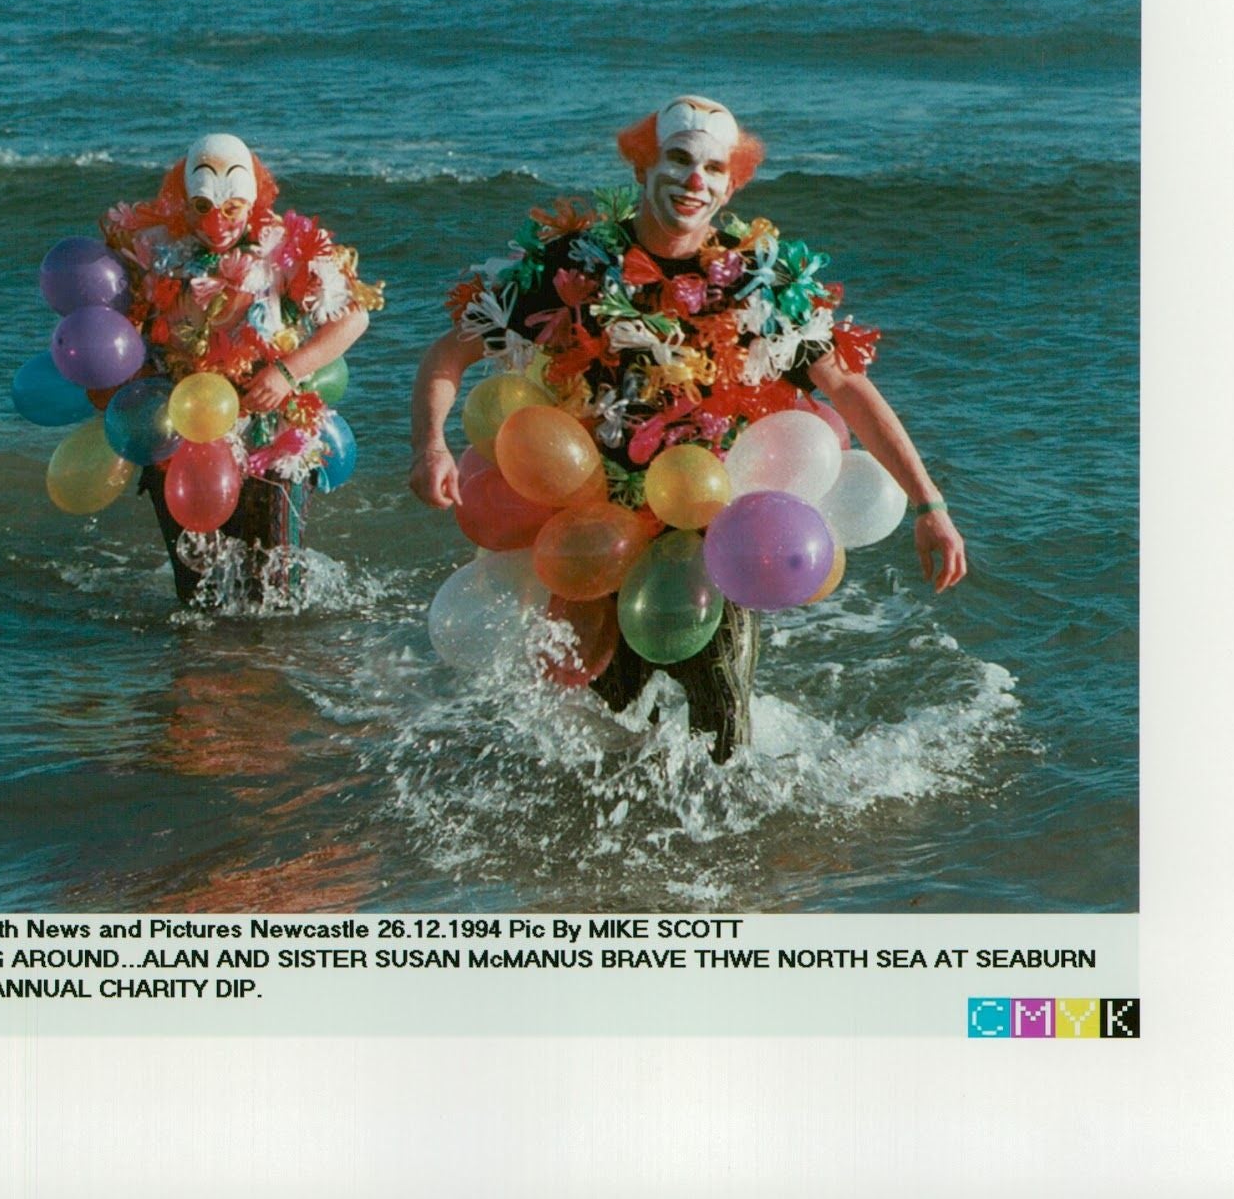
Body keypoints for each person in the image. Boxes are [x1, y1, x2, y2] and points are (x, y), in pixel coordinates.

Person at [409, 96, 966, 761]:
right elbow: (448, 355)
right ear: (643, 166)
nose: (694, 179)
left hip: (717, 530)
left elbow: (848, 388)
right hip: (597, 526)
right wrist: (431, 445)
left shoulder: (760, 283)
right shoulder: (572, 268)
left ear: (731, 186)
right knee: (612, 730)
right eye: (678, 159)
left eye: (714, 168)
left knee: (724, 719)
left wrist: (929, 505)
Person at [101, 133, 381, 601]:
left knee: (276, 587)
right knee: (196, 593)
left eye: (232, 208)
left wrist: (287, 372)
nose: (217, 224)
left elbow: (355, 317)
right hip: (181, 432)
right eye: (203, 207)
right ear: (184, 200)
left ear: (252, 201)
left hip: (269, 432)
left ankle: (277, 647)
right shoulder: (156, 253)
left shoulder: (284, 251)